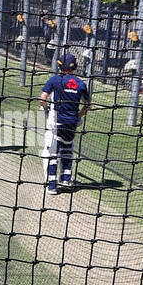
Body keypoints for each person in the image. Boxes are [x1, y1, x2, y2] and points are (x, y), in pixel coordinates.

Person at [38, 53, 91, 194]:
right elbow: (88, 105)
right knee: (67, 148)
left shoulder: (55, 80)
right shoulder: (81, 84)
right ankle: (66, 179)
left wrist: (46, 109)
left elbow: (42, 99)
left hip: (57, 121)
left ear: (60, 65)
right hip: (72, 123)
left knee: (52, 153)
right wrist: (78, 115)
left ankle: (52, 186)